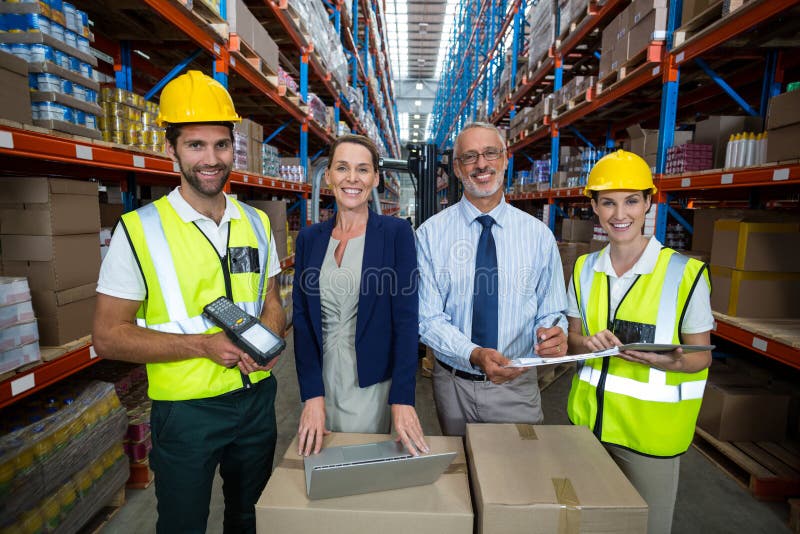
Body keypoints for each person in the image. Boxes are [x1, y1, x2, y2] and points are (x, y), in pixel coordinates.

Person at [92, 70, 285, 534]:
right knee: (183, 525)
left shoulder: (256, 222)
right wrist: (202, 346)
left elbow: (272, 299)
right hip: (186, 411)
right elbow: (107, 336)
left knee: (250, 515)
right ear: (171, 149)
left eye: (221, 144)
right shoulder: (138, 230)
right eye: (195, 145)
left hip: (256, 399)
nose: (211, 159)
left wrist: (269, 339)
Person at [565, 150, 713, 534]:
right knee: (588, 526)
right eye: (608, 202)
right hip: (587, 429)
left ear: (648, 202)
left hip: (650, 438)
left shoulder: (686, 274)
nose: (620, 214)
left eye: (631, 200)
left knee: (646, 528)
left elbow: (700, 356)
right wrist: (586, 343)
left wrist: (670, 362)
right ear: (594, 207)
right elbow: (572, 338)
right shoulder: (584, 269)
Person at [416, 121, 568, 437]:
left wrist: (554, 332)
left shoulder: (538, 236)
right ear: (457, 169)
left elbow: (551, 309)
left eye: (490, 153)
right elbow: (427, 318)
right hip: (454, 386)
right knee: (460, 475)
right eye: (469, 157)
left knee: (517, 475)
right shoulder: (430, 235)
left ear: (504, 159)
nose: (481, 164)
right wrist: (475, 354)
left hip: (517, 385)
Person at [293, 134, 428, 457]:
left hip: (370, 385)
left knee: (359, 472)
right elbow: (302, 321)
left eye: (362, 170)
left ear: (375, 179)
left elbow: (407, 322)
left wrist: (403, 398)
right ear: (328, 176)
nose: (352, 178)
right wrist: (311, 395)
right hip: (321, 382)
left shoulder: (396, 234)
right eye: (342, 168)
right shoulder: (310, 239)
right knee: (320, 470)